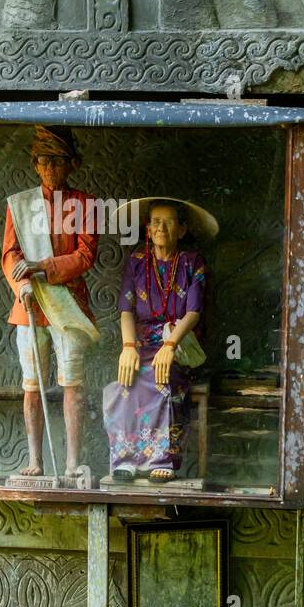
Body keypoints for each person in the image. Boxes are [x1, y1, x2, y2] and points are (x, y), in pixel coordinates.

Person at [2, 126, 98, 480]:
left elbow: (86, 255)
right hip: (29, 308)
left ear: (71, 164)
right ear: (36, 164)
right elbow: (11, 254)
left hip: (68, 303)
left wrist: (43, 267)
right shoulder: (20, 205)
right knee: (32, 386)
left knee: (72, 383)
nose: (51, 168)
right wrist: (23, 283)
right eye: (45, 161)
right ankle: (35, 460)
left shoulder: (86, 204)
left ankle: (72, 462)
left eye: (58, 161)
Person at [103, 198, 215, 483]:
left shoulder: (193, 262)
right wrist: (128, 348)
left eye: (168, 222)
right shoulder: (137, 263)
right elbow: (126, 309)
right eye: (155, 222)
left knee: (162, 378)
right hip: (142, 345)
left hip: (178, 342)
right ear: (148, 229)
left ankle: (161, 458)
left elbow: (193, 312)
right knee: (121, 383)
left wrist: (170, 346)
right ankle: (127, 457)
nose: (160, 228)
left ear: (181, 229)